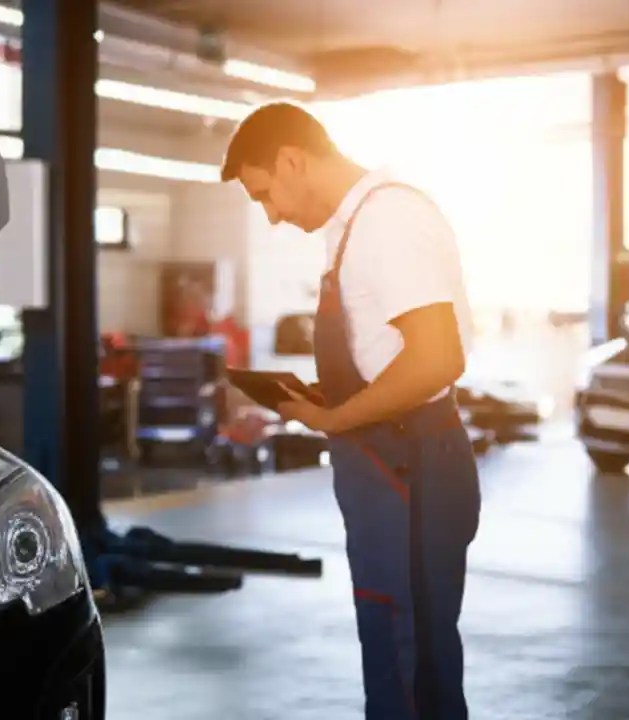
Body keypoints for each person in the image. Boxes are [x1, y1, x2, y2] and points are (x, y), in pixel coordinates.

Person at [220, 102, 481, 719]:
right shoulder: (353, 226)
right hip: (389, 463)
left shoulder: (388, 221)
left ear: (292, 161)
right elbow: (386, 353)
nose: (273, 216)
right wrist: (326, 395)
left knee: (412, 659)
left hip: (412, 466)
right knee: (393, 649)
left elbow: (437, 358)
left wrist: (336, 419)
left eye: (265, 195)